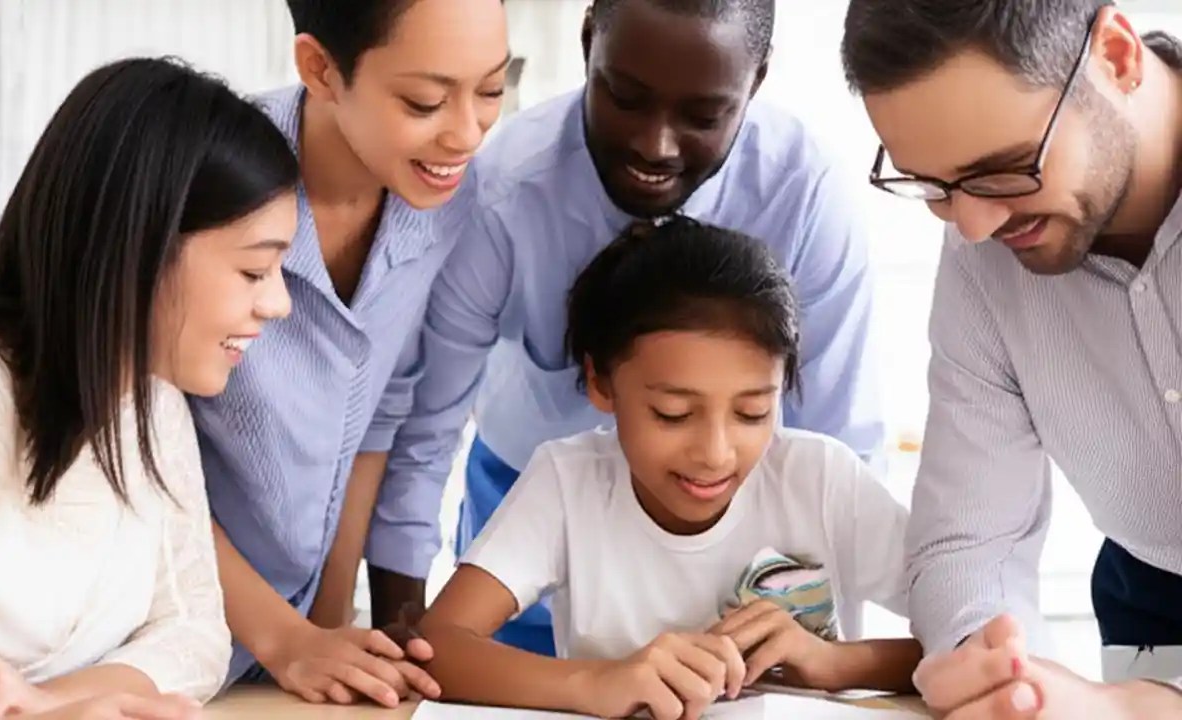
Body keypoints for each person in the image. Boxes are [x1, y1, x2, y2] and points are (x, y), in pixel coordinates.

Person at [377, 0, 886, 658]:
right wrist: (401, 643)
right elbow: (423, 429)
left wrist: (827, 660)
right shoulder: (501, 193)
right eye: (624, 97)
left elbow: (837, 443)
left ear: (755, 81)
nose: (656, 144)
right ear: (589, 43)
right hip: (522, 485)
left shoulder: (806, 195)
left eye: (702, 116)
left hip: (732, 504)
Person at [0, 57, 299, 719]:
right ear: (140, 245)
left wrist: (39, 707)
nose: (278, 303)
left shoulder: (151, 403)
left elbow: (196, 637)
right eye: (254, 269)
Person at [415, 217, 915, 719]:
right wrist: (599, 682)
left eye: (753, 413)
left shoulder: (821, 478)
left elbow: (973, 628)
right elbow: (438, 645)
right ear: (602, 384)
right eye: (673, 414)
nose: (715, 453)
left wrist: (834, 662)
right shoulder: (568, 484)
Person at [841, 0, 1182, 716]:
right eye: (933, 185)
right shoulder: (980, 252)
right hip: (1149, 598)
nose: (972, 225)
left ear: (1115, 57)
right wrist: (992, 670)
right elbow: (967, 539)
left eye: (1002, 171)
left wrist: (1131, 709)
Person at [185, 0, 510, 706]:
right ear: (320, 69)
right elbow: (133, 452)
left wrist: (328, 624)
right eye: (425, 101)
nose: (467, 134)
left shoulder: (444, 194)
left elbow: (379, 416)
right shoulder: (205, 173)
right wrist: (286, 638)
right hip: (166, 626)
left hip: (285, 651)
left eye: (492, 89)